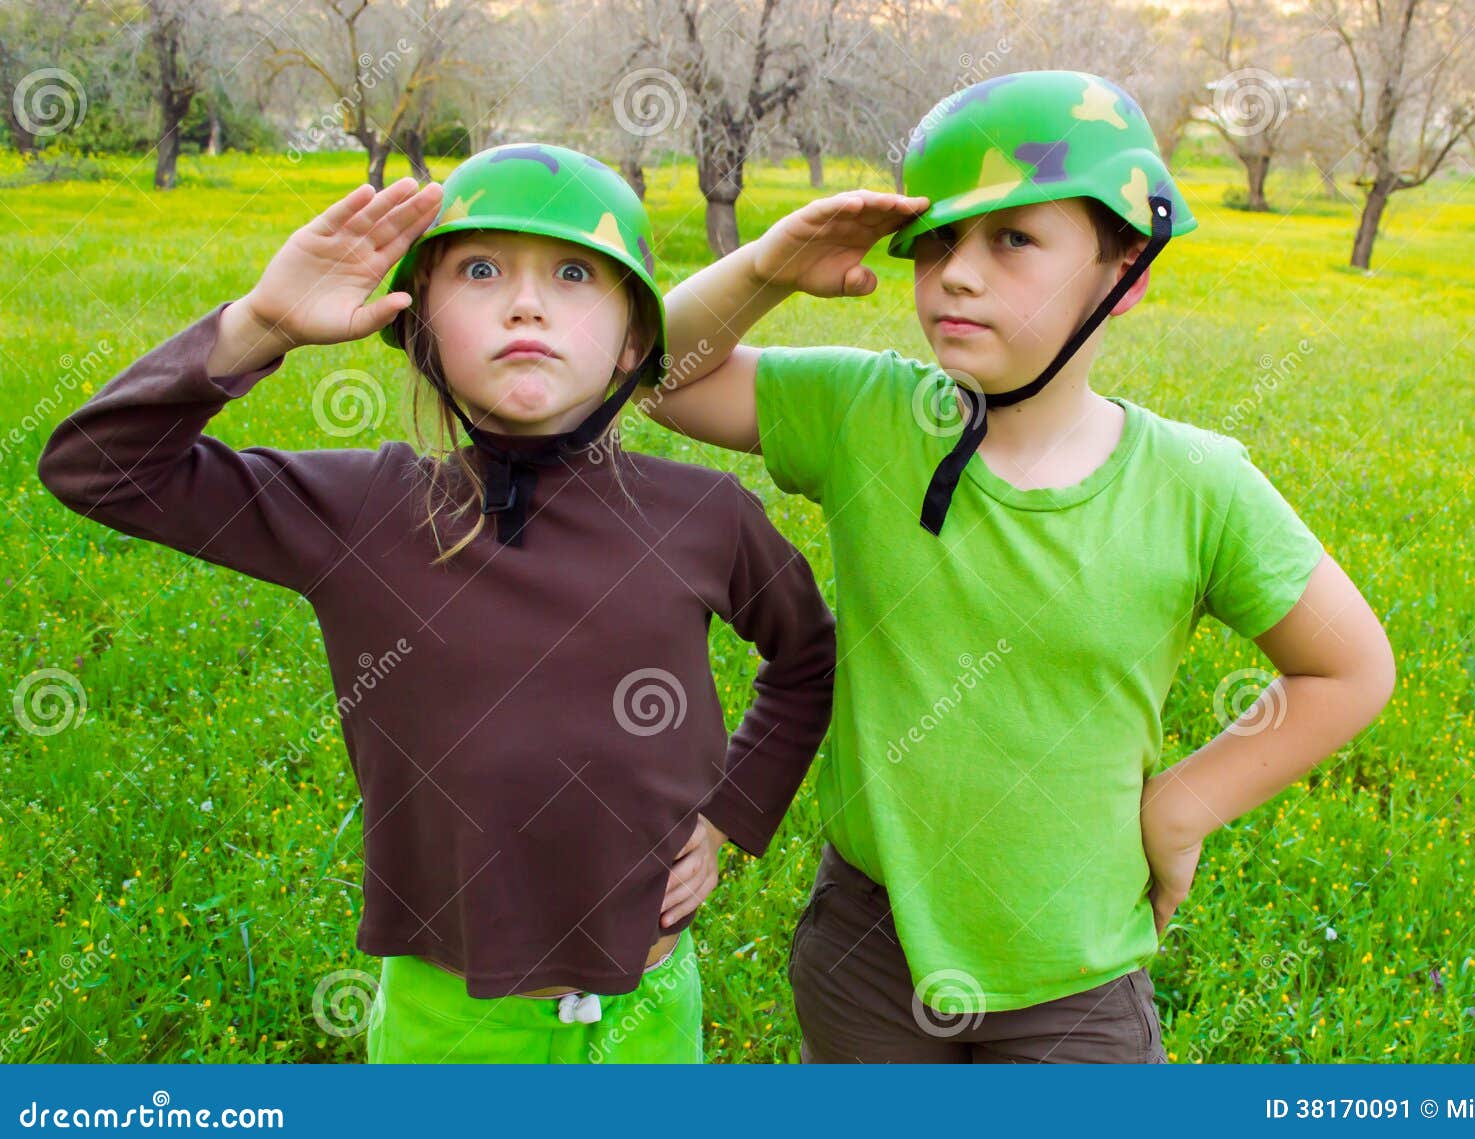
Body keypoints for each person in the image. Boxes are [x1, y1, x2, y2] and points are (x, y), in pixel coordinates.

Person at [637, 71, 1395, 1062]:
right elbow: (652, 374)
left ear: (1125, 273)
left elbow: (1349, 668)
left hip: (1072, 979)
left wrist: (1182, 802)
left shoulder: (1198, 484)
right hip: (869, 950)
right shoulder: (867, 413)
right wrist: (769, 266)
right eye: (938, 243)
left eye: (1013, 240)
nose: (956, 274)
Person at [36, 143, 836, 1064]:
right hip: (445, 1025)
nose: (525, 302)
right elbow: (97, 469)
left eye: (574, 274)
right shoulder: (363, 512)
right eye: (481, 272)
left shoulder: (706, 516)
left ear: (632, 341)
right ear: (422, 329)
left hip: (649, 1010)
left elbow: (810, 656)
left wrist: (732, 810)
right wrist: (262, 324)